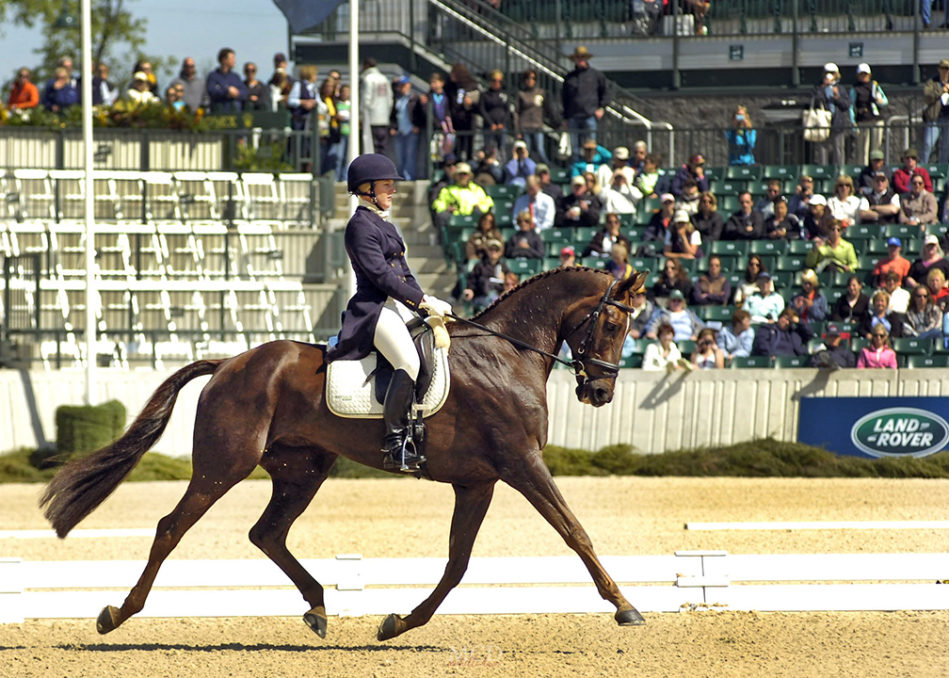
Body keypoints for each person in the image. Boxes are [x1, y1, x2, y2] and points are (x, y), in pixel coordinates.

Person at [326, 154, 453, 472]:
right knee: (407, 361)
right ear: (366, 189)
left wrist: (429, 302)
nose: (392, 191)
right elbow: (382, 277)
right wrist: (422, 302)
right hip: (374, 309)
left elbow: (404, 275)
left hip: (398, 306)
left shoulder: (385, 224)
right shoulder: (359, 227)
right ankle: (395, 443)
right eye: (386, 186)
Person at [562, 46, 610, 159]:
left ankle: (591, 166)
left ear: (586, 58)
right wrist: (565, 117)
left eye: (582, 57)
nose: (580, 60)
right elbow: (564, 98)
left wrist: (601, 107)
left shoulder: (596, 75)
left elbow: (606, 92)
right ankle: (576, 167)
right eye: (578, 57)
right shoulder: (569, 77)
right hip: (573, 116)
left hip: (590, 115)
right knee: (575, 147)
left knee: (590, 145)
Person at [431, 162, 494, 236]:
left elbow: (488, 202)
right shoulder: (448, 190)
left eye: (465, 174)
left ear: (469, 176)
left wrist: (480, 207)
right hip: (456, 216)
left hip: (474, 216)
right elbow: (438, 203)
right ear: (456, 176)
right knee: (441, 216)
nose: (463, 177)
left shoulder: (477, 189)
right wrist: (446, 208)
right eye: (460, 174)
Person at [811, 62, 851, 166]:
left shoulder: (840, 88)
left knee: (838, 149)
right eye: (827, 73)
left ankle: (838, 170)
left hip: (837, 123)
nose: (829, 75)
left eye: (832, 73)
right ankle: (823, 171)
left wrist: (837, 97)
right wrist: (824, 87)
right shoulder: (818, 87)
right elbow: (815, 100)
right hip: (823, 123)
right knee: (822, 149)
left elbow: (846, 105)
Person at [849, 63, 888, 165]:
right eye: (861, 74)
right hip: (863, 121)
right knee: (862, 148)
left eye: (865, 74)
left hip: (876, 120)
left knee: (876, 148)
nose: (864, 76)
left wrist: (880, 100)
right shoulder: (855, 88)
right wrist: (853, 123)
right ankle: (863, 167)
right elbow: (851, 107)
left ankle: (875, 167)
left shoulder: (875, 86)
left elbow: (884, 101)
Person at [514, 69, 554, 163]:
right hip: (525, 126)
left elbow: (547, 108)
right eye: (528, 78)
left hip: (537, 125)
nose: (530, 80)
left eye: (533, 78)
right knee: (527, 150)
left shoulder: (541, 93)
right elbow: (517, 112)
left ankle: (547, 167)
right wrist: (517, 130)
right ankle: (527, 168)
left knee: (540, 149)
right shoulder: (521, 94)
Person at [389, 76, 425, 182]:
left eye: (404, 85)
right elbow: (393, 115)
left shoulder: (414, 98)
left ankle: (408, 177)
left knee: (410, 155)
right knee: (400, 156)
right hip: (399, 131)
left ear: (409, 85)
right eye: (400, 86)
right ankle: (400, 176)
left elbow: (419, 114)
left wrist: (417, 125)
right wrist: (393, 127)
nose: (402, 88)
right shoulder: (397, 99)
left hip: (410, 130)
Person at [464, 238, 510, 311]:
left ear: (500, 252)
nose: (493, 252)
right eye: (491, 249)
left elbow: (511, 281)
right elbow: (472, 280)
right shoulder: (480, 265)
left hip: (499, 296)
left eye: (496, 250)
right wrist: (470, 290)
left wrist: (504, 279)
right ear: (487, 251)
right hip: (483, 296)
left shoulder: (503, 266)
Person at [446, 63, 480, 161]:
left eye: (453, 74)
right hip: (455, 121)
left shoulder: (471, 84)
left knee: (469, 145)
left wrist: (470, 103)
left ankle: (469, 163)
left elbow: (478, 103)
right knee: (457, 147)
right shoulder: (450, 86)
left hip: (468, 120)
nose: (451, 76)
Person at [360, 58, 394, 155]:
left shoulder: (368, 78)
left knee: (371, 145)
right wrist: (387, 113)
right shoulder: (384, 78)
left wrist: (362, 114)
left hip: (371, 117)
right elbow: (390, 99)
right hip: (384, 117)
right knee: (382, 146)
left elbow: (366, 99)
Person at [921, 59, 949, 164]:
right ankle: (922, 167)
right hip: (934, 118)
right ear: (939, 69)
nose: (945, 71)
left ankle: (943, 171)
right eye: (943, 68)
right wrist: (942, 90)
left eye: (947, 69)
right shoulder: (932, 82)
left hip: (947, 117)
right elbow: (927, 97)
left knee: (945, 147)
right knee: (928, 144)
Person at [480, 70, 511, 160]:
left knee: (502, 148)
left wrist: (503, 123)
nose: (497, 83)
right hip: (489, 126)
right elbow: (482, 110)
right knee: (489, 148)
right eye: (494, 80)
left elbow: (508, 110)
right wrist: (491, 124)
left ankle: (502, 165)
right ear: (490, 81)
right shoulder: (485, 95)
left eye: (499, 81)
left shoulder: (504, 94)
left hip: (501, 126)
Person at [206, 48, 247, 113]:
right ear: (224, 60)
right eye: (232, 58)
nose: (234, 61)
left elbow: (244, 92)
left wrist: (236, 93)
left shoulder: (236, 77)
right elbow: (212, 91)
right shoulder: (213, 76)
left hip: (236, 115)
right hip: (219, 115)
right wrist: (227, 91)